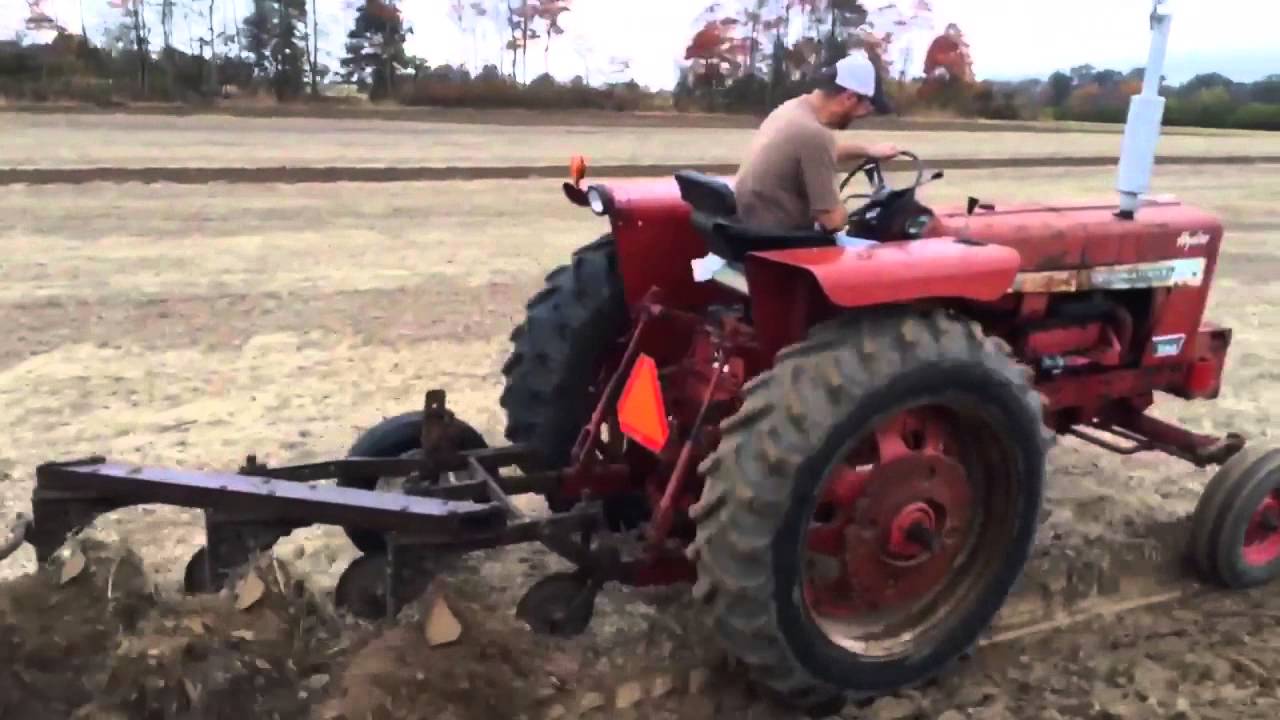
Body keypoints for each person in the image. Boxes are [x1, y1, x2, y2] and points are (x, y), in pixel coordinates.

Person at [732, 49, 900, 246]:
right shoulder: (815, 135)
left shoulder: (791, 110)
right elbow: (831, 221)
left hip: (751, 230)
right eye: (867, 108)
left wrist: (868, 151)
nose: (863, 115)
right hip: (779, 242)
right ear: (849, 98)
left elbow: (815, 154)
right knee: (876, 251)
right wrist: (858, 212)